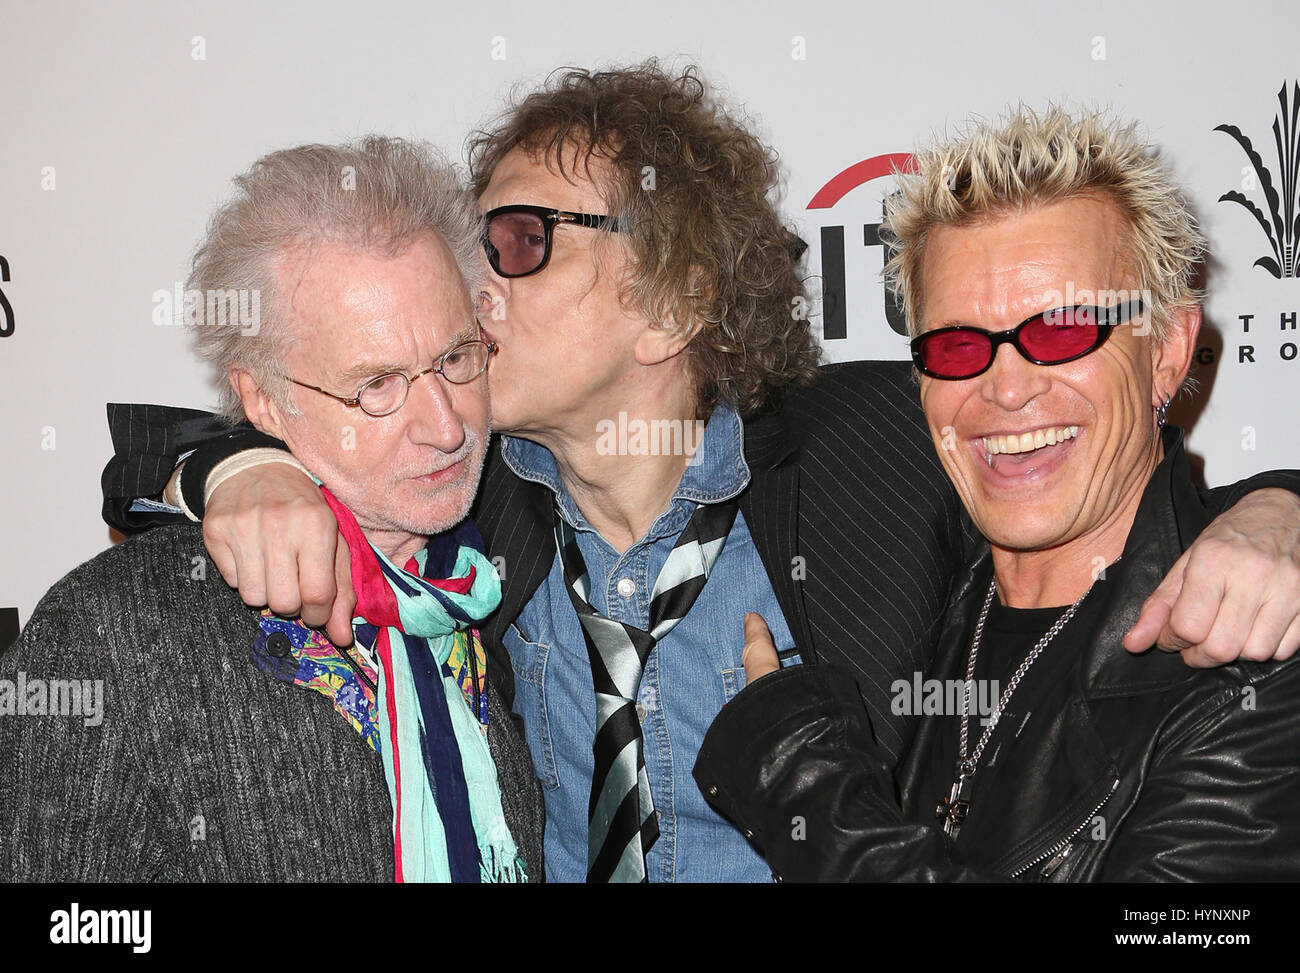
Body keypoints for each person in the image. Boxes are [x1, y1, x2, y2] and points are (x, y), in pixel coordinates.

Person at [100, 65, 1300, 883]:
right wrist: (237, 465)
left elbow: (1089, 457)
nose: (472, 287)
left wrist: (1279, 511)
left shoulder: (872, 452)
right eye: (473, 247)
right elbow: (182, 437)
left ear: (672, 300)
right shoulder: (461, 505)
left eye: (519, 241)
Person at [694, 105, 1300, 881]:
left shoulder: (1254, 665)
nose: (1006, 387)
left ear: (1168, 352)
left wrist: (802, 781)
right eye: (957, 345)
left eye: (1061, 331)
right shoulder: (926, 587)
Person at [1, 137, 541, 882]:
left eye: (455, 358)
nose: (446, 426)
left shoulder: (486, 583)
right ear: (261, 399)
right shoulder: (113, 638)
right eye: (376, 385)